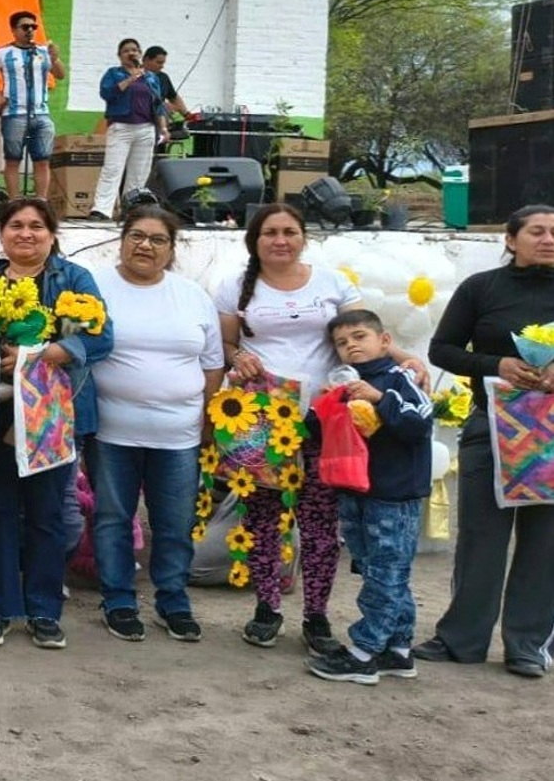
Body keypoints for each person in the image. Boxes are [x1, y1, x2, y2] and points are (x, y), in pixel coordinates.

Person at [216, 203, 424, 654]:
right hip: (263, 418)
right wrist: (237, 357)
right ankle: (266, 608)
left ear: (303, 237)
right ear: (255, 240)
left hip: (325, 418)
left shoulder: (331, 282)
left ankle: (316, 615)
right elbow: (226, 342)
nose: (280, 240)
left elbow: (365, 333)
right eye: (269, 232)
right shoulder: (234, 285)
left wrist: (404, 357)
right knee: (263, 520)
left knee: (319, 524)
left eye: (290, 231)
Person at [0, 197, 111, 649]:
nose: (26, 233)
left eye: (37, 226)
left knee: (46, 514)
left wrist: (52, 353)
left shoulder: (73, 280)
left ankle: (43, 610)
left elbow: (102, 337)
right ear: (1, 234)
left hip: (50, 416)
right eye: (16, 225)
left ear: (52, 234)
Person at [415, 204, 554, 677]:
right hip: (491, 428)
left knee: (545, 542)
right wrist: (497, 365)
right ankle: (462, 640)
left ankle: (527, 645)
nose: (549, 239)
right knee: (481, 538)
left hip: (551, 437)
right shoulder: (482, 288)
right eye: (537, 231)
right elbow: (442, 349)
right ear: (511, 240)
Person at [89, 208, 219, 642]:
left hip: (179, 434)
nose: (145, 245)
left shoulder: (192, 295)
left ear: (171, 249)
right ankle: (119, 599)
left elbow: (212, 363)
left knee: (175, 521)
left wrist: (205, 420)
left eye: (158, 239)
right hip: (111, 431)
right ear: (122, 240)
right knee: (113, 517)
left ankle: (173, 599)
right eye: (137, 236)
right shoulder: (95, 287)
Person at [306, 310, 435, 684]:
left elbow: (420, 422)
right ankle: (398, 649)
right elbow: (317, 431)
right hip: (353, 490)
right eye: (342, 343)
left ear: (385, 340)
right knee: (377, 570)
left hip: (393, 495)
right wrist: (327, 405)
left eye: (360, 336)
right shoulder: (345, 383)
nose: (352, 346)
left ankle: (364, 652)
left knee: (386, 573)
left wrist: (378, 398)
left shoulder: (402, 379)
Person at [0, 10, 65, 199]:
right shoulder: (3, 52)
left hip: (41, 113)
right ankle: (14, 201)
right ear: (14, 30)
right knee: (13, 160)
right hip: (14, 114)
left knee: (42, 160)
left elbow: (60, 74)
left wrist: (55, 58)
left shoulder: (42, 51)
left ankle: (41, 200)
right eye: (25, 27)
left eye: (34, 27)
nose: (30, 30)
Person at [89, 38, 165, 221]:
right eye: (126, 51)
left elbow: (158, 104)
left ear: (140, 54)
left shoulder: (151, 77)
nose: (131, 53)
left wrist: (163, 127)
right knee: (113, 169)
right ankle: (102, 209)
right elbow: (107, 93)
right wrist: (131, 78)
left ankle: (132, 209)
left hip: (145, 128)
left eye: (135, 50)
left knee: (139, 171)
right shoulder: (114, 74)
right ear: (120, 55)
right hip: (121, 127)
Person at [143, 46, 188, 118]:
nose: (162, 66)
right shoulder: (135, 76)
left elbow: (174, 97)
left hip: (161, 118)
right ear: (146, 59)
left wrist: (187, 115)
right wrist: (163, 105)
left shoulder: (163, 77)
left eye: (163, 63)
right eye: (159, 62)